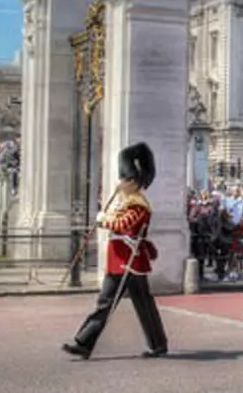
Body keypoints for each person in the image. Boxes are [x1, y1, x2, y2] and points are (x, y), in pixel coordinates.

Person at [62, 142, 168, 360]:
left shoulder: (138, 205)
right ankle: (85, 342)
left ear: (134, 181)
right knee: (127, 303)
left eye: (124, 178)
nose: (120, 182)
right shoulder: (126, 202)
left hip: (129, 262)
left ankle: (84, 341)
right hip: (120, 260)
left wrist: (104, 220)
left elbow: (124, 226)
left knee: (115, 303)